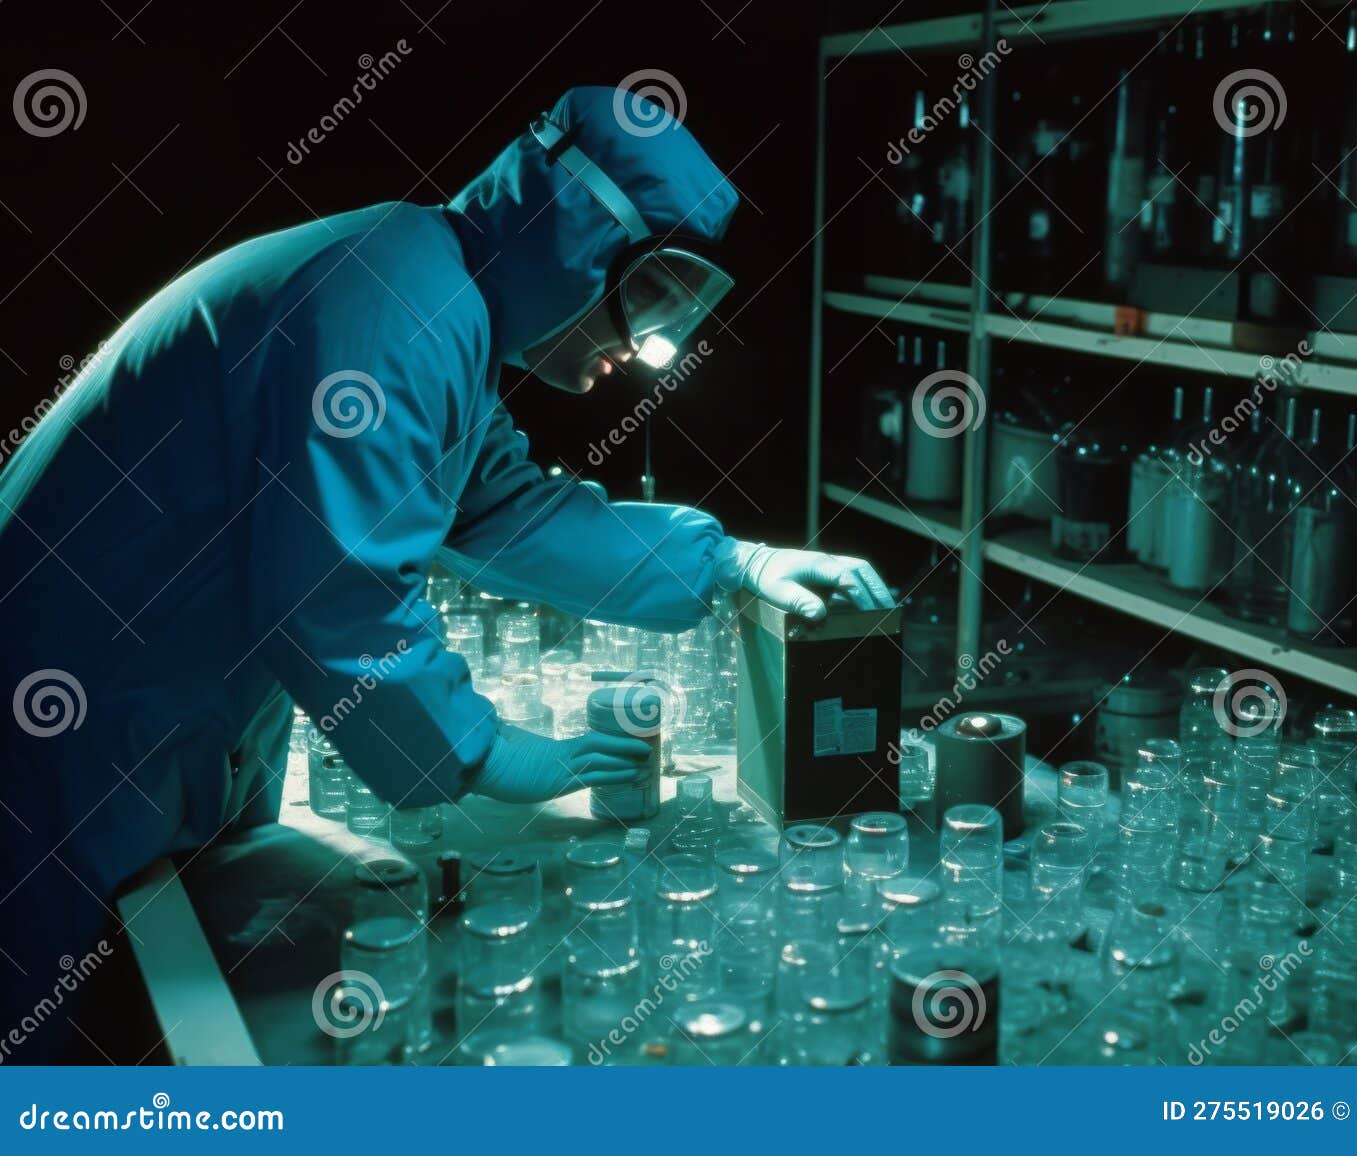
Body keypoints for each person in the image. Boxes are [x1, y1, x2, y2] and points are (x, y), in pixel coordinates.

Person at [0, 86, 889, 1060]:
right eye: (645, 296)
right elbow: (336, 596)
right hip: (68, 708)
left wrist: (732, 560)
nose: (642, 347)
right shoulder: (394, 314)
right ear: (576, 247)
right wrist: (481, 751)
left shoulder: (428, 292)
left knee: (156, 988)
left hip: (157, 696)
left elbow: (500, 508)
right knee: (55, 1026)